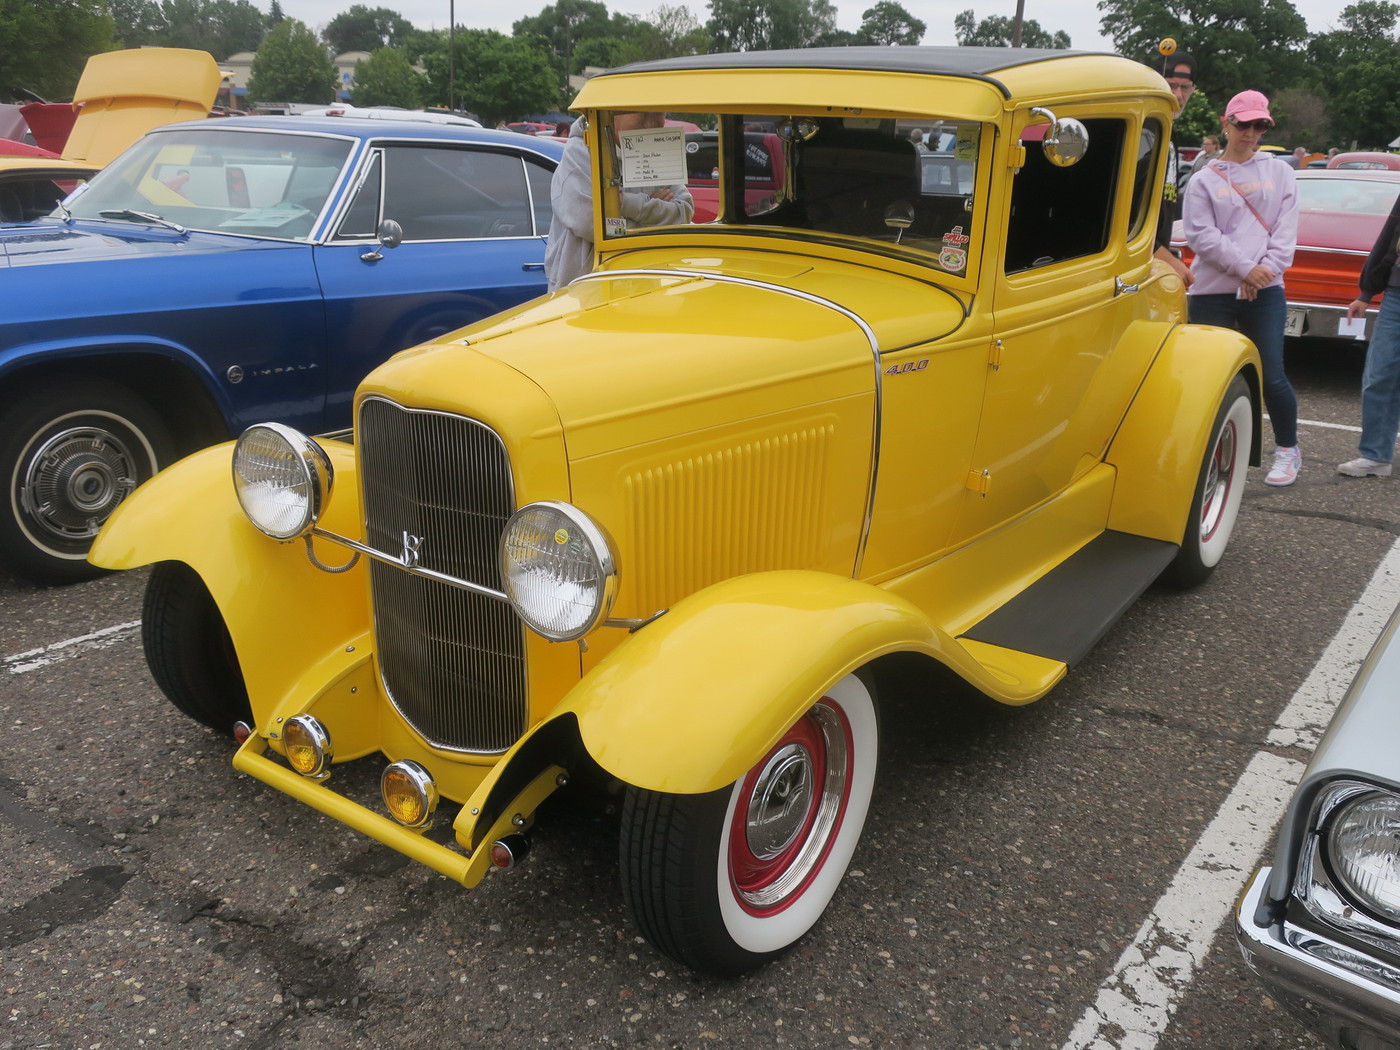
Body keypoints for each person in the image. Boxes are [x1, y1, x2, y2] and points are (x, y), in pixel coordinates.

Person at [1182, 89, 1302, 486]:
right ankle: (1201, 452)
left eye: (1259, 125)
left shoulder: (1280, 171)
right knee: (1207, 378)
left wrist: (1264, 271)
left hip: (1265, 288)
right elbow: (1201, 234)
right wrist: (1245, 269)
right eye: (1243, 124)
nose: (1250, 133)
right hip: (1213, 291)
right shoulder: (1203, 178)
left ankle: (1288, 450)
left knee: (1271, 375)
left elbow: (1286, 228)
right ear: (1227, 123)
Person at [544, 112, 694, 291]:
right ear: (611, 115)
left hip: (645, 282)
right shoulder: (580, 153)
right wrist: (655, 216)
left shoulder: (655, 148)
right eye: (642, 117)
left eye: (658, 115)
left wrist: (623, 203)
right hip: (585, 288)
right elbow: (592, 225)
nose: (650, 126)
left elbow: (684, 212)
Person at [1338, 189, 1400, 476]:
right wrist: (1366, 293)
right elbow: (1389, 237)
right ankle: (1376, 456)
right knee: (1379, 376)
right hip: (1396, 295)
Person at [1155, 51, 1197, 286]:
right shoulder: (1144, 135)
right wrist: (1167, 259)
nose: (1178, 95)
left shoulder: (1170, 134)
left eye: (1185, 88)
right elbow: (1123, 218)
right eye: (1171, 86)